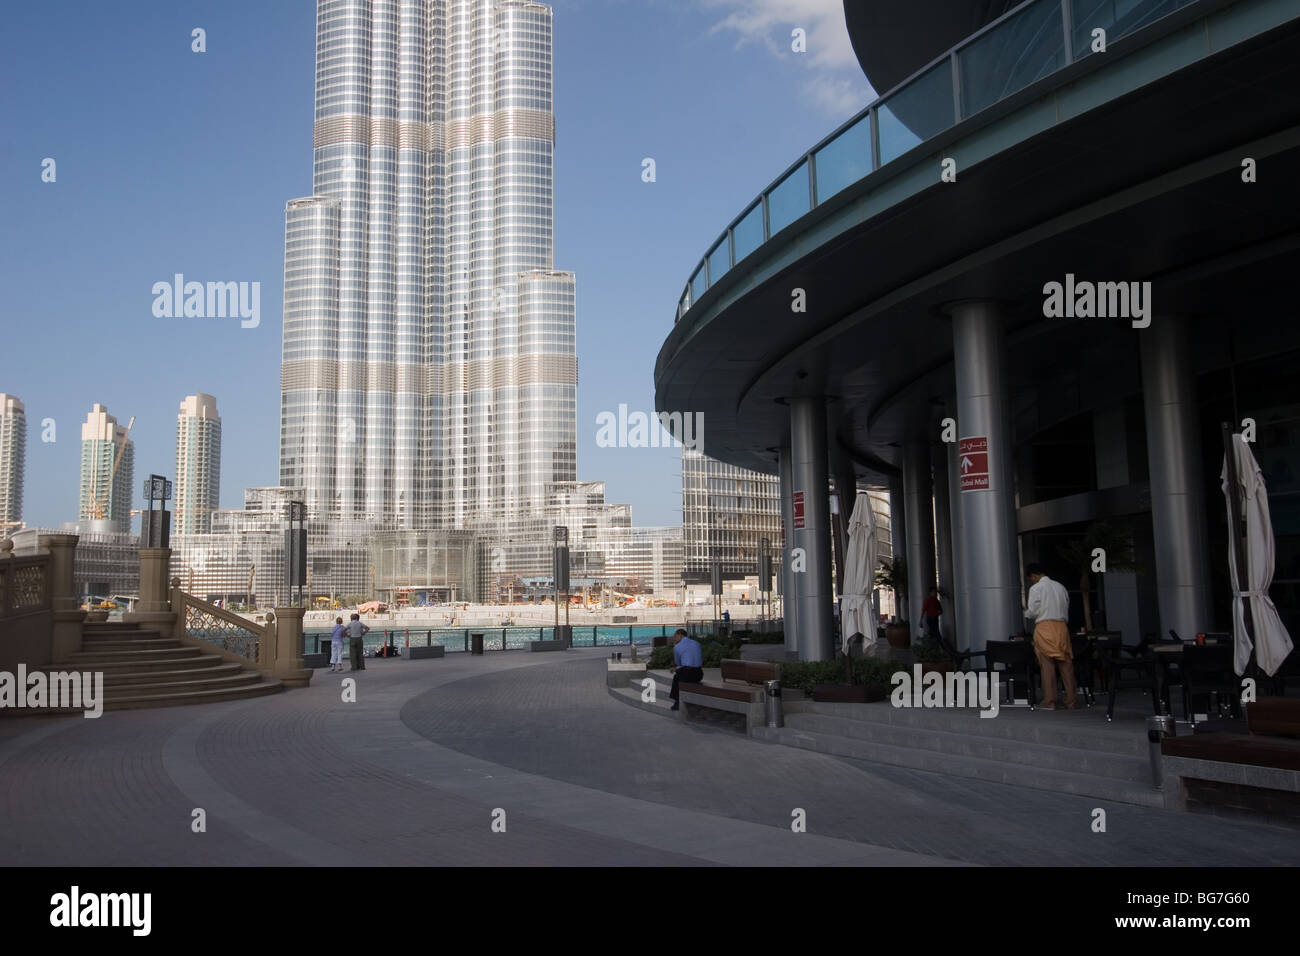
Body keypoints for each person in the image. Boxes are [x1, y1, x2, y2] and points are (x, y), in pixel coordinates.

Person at [1025, 563, 1076, 710]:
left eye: (1031, 578)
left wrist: (1025, 613)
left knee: (1047, 666)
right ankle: (1071, 701)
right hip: (1062, 628)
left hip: (1045, 627)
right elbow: (1066, 605)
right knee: (1066, 665)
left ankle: (1050, 701)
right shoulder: (1060, 587)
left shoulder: (1036, 588)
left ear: (1034, 575)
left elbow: (1033, 611)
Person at [668, 628, 703, 711]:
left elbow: (679, 663)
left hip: (687, 673)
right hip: (699, 673)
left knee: (676, 678)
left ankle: (677, 702)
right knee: (680, 673)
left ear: (681, 635)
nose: (674, 638)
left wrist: (675, 669)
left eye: (675, 636)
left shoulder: (677, 647)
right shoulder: (696, 643)